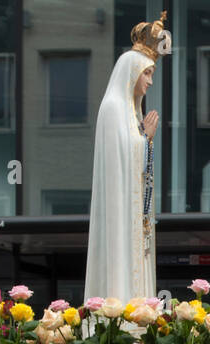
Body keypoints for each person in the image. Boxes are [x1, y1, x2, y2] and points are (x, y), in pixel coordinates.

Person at [83, 13, 164, 303]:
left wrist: (144, 138)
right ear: (132, 72)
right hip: (120, 210)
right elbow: (120, 156)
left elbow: (135, 155)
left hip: (133, 213)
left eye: (151, 74)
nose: (150, 82)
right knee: (121, 263)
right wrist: (146, 138)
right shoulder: (113, 107)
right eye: (147, 73)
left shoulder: (132, 111)